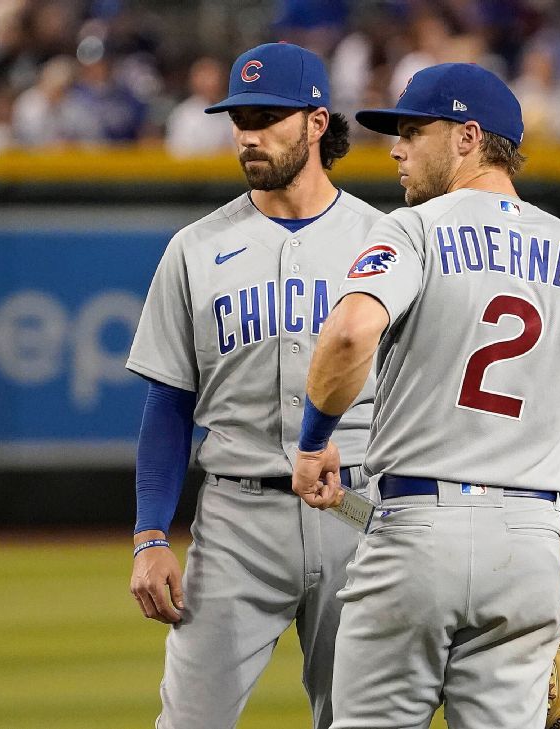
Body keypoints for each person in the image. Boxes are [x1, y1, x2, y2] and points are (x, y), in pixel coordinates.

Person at [290, 62, 560, 729]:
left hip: (417, 530)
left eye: (414, 130)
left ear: (467, 137)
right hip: (530, 546)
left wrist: (312, 442)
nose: (397, 146)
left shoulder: (413, 229)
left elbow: (348, 334)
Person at [126, 42, 381, 729]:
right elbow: (169, 400)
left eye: (269, 117)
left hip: (358, 507)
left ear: (318, 122)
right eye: (241, 118)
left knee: (365, 721)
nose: (249, 135)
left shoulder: (386, 242)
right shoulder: (196, 247)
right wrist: (151, 531)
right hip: (239, 514)